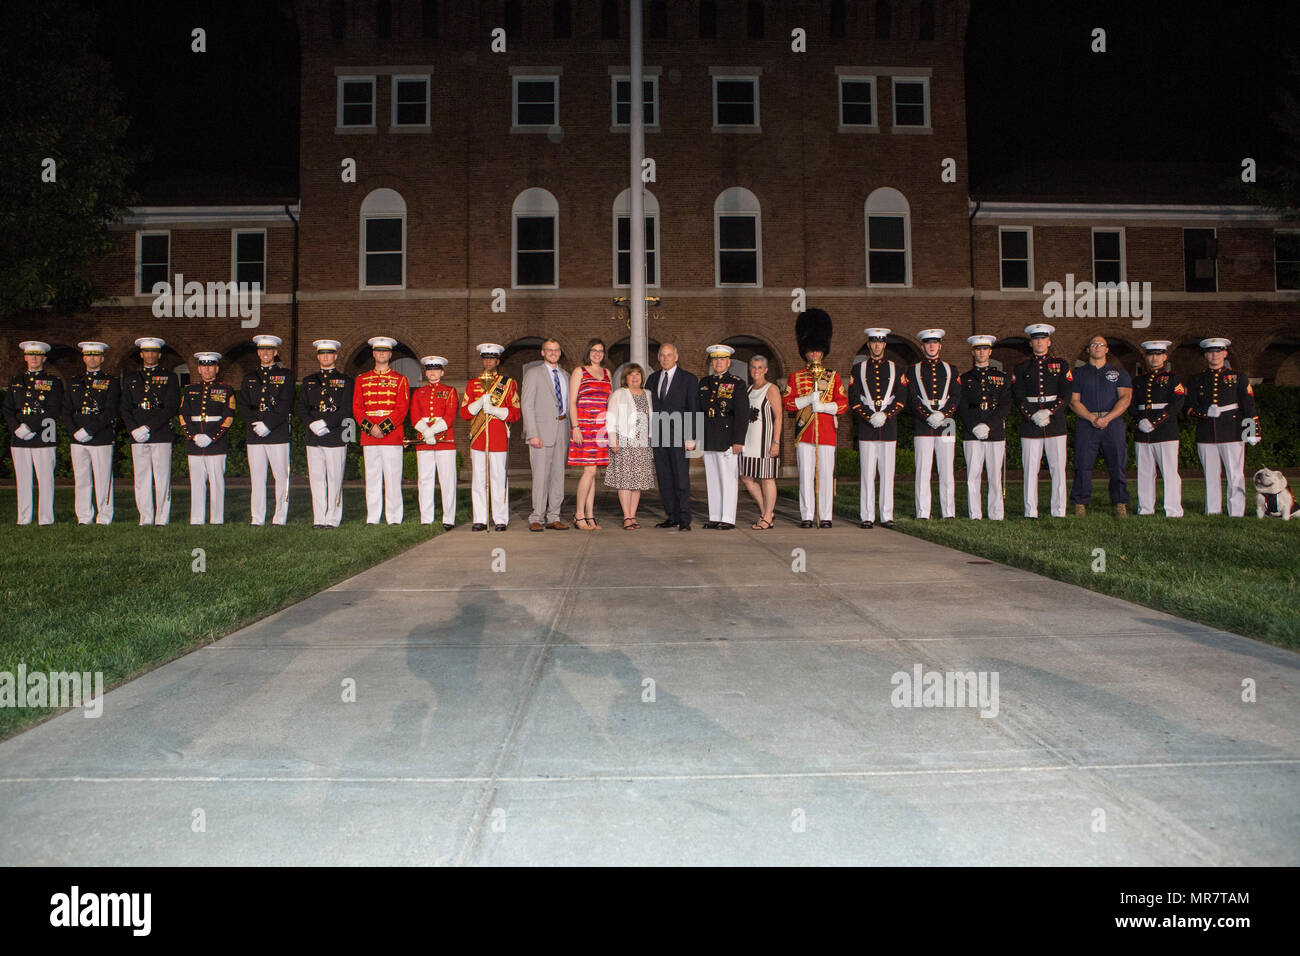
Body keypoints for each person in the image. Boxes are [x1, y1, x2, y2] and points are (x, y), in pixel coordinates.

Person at [784, 309, 848, 528]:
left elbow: (843, 404)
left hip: (827, 433)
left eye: (817, 351)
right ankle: (807, 515)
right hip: (805, 433)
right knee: (805, 476)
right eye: (811, 351)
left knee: (826, 476)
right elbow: (788, 403)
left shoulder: (832, 376)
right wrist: (805, 401)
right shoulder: (796, 376)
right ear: (805, 352)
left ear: (823, 352)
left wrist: (824, 406)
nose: (814, 355)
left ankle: (827, 515)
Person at [1186, 337, 1260, 516]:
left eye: (1218, 351)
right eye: (1210, 352)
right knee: (1211, 475)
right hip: (1206, 433)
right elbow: (1188, 407)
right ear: (1206, 355)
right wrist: (1205, 413)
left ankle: (1236, 512)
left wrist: (1252, 430)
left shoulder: (1238, 377)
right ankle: (1213, 511)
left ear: (1225, 353)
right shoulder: (1197, 379)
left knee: (1235, 475)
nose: (1214, 355)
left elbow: (1248, 404)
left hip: (1232, 431)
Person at [848, 328, 908, 529]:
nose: (877, 346)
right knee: (867, 474)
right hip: (867, 428)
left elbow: (901, 397)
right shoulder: (858, 369)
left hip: (888, 428)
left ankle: (886, 515)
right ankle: (867, 515)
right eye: (873, 342)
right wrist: (869, 415)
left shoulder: (897, 369)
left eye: (880, 342)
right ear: (869, 344)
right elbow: (854, 399)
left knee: (887, 474)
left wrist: (886, 414)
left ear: (885, 345)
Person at [1012, 324, 1072, 519]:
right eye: (1035, 339)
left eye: (1042, 338)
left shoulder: (1061, 365)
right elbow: (1018, 396)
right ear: (1030, 343)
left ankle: (1059, 510)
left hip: (1055, 422)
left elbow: (1066, 394)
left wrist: (1049, 411)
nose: (1039, 342)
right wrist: (1031, 414)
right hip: (1030, 424)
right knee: (1030, 469)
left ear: (1049, 341)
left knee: (1058, 469)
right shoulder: (1021, 367)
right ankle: (1030, 511)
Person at [1069, 336, 1133, 517]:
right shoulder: (1078, 374)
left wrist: (1108, 418)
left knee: (1117, 464)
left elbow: (1126, 399)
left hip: (1113, 424)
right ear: (1088, 350)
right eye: (1093, 345)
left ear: (1107, 350)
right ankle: (1080, 503)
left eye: (1101, 345)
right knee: (1082, 464)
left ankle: (1120, 502)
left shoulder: (1119, 373)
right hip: (1086, 423)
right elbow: (1074, 402)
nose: (1097, 347)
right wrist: (1091, 418)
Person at [120, 336, 180, 525]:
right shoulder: (131, 379)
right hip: (137, 435)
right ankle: (145, 516)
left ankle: (162, 517)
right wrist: (133, 429)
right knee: (141, 478)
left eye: (153, 351)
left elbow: (170, 407)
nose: (150, 355)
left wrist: (148, 427)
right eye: (146, 352)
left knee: (162, 478)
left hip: (159, 434)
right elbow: (125, 407)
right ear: (141, 354)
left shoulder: (169, 377)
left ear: (159, 354)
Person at [461, 342, 520, 531]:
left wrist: (495, 410)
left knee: (498, 478)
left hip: (498, 438)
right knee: (478, 480)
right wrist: (479, 403)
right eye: (485, 358)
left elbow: (515, 413)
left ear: (497, 360)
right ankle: (480, 518)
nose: (488, 361)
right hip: (478, 438)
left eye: (491, 358)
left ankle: (500, 518)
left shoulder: (508, 384)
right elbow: (464, 413)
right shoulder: (473, 384)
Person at [4, 340, 63, 525]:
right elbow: (7, 409)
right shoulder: (16, 381)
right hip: (19, 435)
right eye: (31, 355)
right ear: (25, 358)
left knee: (45, 478)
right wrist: (16, 427)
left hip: (44, 434)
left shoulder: (53, 382)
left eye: (38, 355)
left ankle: (45, 518)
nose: (34, 358)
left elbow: (53, 410)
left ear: (44, 358)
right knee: (22, 479)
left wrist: (30, 427)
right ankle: (23, 518)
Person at [354, 336, 411, 525]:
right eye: (378, 351)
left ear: (390, 354)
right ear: (373, 353)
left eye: (385, 351)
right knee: (372, 478)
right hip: (369, 436)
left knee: (393, 478)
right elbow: (357, 408)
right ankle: (373, 517)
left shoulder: (400, 380)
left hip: (391, 435)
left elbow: (402, 409)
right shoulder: (362, 379)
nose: (381, 354)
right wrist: (371, 428)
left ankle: (394, 517)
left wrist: (384, 428)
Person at [239, 333, 294, 526]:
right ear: (258, 352)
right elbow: (244, 405)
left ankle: (280, 517)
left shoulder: (285, 375)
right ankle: (257, 517)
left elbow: (286, 404)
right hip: (254, 434)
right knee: (257, 478)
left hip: (277, 433)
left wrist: (268, 424)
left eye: (269, 350)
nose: (265, 353)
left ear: (275, 352)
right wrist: (256, 423)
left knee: (281, 477)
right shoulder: (249, 377)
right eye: (262, 349)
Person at [298, 339, 353, 529]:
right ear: (318, 357)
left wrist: (326, 423)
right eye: (322, 354)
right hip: (313, 436)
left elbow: (346, 409)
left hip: (335, 435)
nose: (325, 357)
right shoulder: (309, 381)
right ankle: (319, 518)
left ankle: (333, 518)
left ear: (335, 356)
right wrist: (311, 424)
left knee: (335, 478)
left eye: (329, 353)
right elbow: (302, 407)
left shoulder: (345, 381)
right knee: (316, 478)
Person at [177, 351, 237, 524]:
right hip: (195, 443)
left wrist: (212, 437)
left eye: (211, 366)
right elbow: (183, 415)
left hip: (216, 443)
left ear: (217, 368)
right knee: (196, 482)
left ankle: (217, 519)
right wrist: (192, 435)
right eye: (204, 366)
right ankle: (196, 518)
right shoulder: (190, 390)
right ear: (198, 369)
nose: (207, 369)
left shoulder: (226, 390)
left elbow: (228, 416)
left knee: (217, 482)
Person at [64, 340, 120, 525]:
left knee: (103, 479)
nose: (92, 358)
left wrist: (90, 430)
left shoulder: (110, 382)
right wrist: (75, 432)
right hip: (78, 436)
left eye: (95, 355)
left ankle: (104, 516)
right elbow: (66, 410)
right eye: (88, 355)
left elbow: (111, 410)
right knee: (81, 479)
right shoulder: (73, 382)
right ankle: (84, 516)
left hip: (100, 436)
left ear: (102, 358)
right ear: (83, 358)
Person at [909, 329, 962, 520]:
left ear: (940, 346)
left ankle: (948, 512)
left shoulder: (951, 369)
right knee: (923, 470)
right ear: (923, 347)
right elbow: (912, 398)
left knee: (947, 470)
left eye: (935, 343)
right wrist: (927, 415)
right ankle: (923, 512)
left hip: (947, 423)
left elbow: (956, 396)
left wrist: (943, 414)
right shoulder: (913, 370)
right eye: (928, 343)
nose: (932, 346)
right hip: (923, 424)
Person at [645, 343, 699, 531]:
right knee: (665, 478)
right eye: (662, 355)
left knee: (681, 479)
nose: (665, 358)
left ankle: (684, 518)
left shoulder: (689, 379)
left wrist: (692, 436)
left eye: (669, 355)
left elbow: (694, 408)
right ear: (659, 358)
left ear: (676, 357)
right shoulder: (652, 379)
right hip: (659, 436)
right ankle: (672, 516)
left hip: (680, 436)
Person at [958, 335, 1011, 520]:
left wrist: (988, 425)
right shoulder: (964, 378)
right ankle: (975, 513)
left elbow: (1005, 405)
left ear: (990, 352)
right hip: (972, 432)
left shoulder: (1001, 378)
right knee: (973, 475)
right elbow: (961, 406)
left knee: (995, 476)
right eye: (978, 349)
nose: (981, 353)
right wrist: (974, 426)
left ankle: (996, 514)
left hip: (995, 431)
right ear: (973, 352)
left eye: (985, 349)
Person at [1131, 340, 1186, 517]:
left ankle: (1173, 510)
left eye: (1158, 354)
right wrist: (1139, 420)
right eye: (1150, 354)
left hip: (1165, 431)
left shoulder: (1173, 379)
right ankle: (1145, 509)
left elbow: (1176, 403)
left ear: (1164, 356)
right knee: (1144, 473)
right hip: (1142, 431)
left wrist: (1155, 421)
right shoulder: (1138, 380)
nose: (1154, 358)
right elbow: (1131, 404)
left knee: (1170, 473)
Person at [521, 338, 570, 531]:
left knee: (558, 476)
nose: (553, 353)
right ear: (542, 352)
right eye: (549, 350)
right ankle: (537, 517)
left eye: (556, 350)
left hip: (562, 428)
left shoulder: (565, 374)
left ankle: (553, 516)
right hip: (540, 432)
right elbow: (527, 404)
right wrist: (532, 433)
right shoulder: (534, 374)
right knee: (541, 476)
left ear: (560, 352)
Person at [699, 344, 749, 530]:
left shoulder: (737, 383)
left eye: (721, 359)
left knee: (728, 479)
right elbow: (699, 411)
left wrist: (738, 440)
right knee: (712, 479)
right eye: (715, 359)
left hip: (727, 439)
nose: (718, 363)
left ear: (728, 362)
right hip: (708, 437)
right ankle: (715, 516)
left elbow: (742, 415)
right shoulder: (704, 382)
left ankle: (727, 518)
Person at [605, 363, 657, 529]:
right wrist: (613, 441)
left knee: (638, 481)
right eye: (631, 374)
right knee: (625, 481)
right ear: (625, 378)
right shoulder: (619, 393)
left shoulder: (648, 394)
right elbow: (611, 418)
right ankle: (626, 516)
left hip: (643, 444)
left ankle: (633, 515)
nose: (635, 377)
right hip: (624, 442)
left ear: (642, 377)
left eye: (638, 374)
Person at [567, 338, 611, 530]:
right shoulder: (579, 371)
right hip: (584, 427)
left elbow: (609, 402)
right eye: (594, 350)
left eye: (600, 351)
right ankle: (578, 515)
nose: (597, 354)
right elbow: (572, 402)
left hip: (601, 428)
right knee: (589, 471)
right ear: (588, 352)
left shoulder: (607, 372)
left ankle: (590, 516)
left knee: (593, 474)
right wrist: (575, 427)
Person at [411, 355, 459, 529]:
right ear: (426, 372)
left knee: (447, 480)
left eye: (436, 369)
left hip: (445, 440)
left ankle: (449, 518)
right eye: (429, 369)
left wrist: (432, 430)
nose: (432, 373)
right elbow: (414, 415)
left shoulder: (450, 391)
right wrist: (425, 431)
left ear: (442, 372)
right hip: (424, 441)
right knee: (424, 480)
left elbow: (450, 416)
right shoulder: (418, 392)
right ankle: (426, 517)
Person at [740, 354, 782, 530]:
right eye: (753, 368)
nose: (756, 371)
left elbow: (778, 417)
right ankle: (767, 512)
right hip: (749, 441)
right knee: (747, 477)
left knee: (766, 478)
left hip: (765, 441)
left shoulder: (771, 389)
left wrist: (776, 442)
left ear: (765, 370)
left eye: (759, 368)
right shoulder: (748, 390)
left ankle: (766, 517)